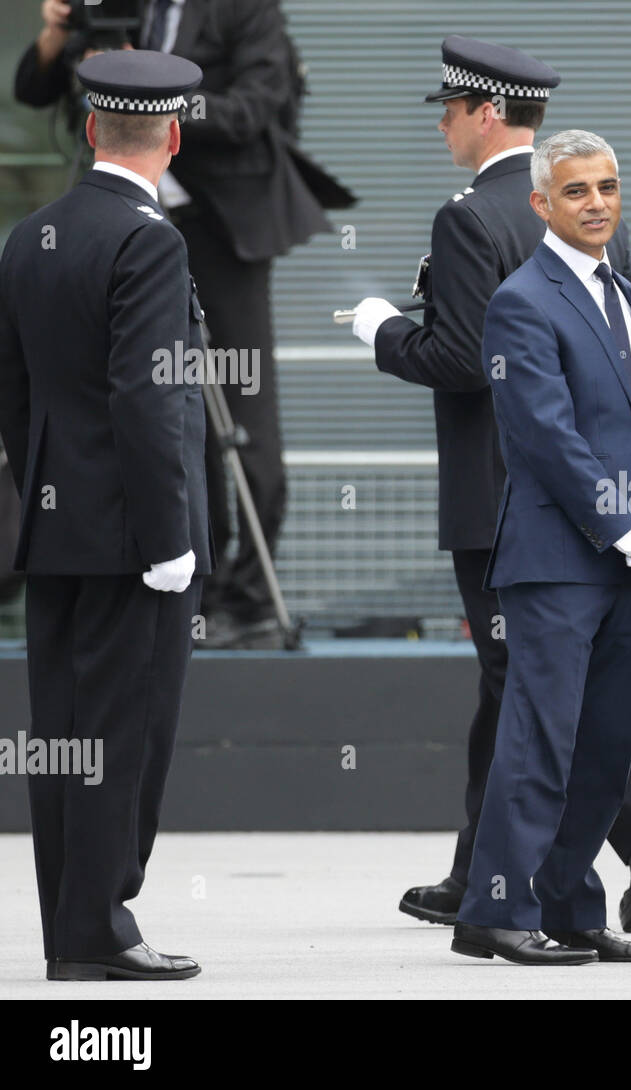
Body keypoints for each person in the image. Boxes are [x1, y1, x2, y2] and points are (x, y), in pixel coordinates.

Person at [347, 35, 631, 935]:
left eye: (450, 109)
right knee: (536, 708)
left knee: (540, 709)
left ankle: (550, 888)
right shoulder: (558, 255)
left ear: (486, 112)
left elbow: (465, 360)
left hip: (520, 508)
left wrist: (382, 331)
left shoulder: (479, 220)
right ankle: (512, 891)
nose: (443, 124)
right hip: (560, 524)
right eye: (579, 190)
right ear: (548, 196)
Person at [14, 0, 353, 650]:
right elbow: (32, 89)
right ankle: (199, 575)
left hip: (223, 229)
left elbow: (254, 107)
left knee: (244, 409)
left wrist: (146, 106)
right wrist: (61, 34)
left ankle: (251, 599)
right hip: (138, 226)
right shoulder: (119, 9)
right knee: (171, 404)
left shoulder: (244, 11)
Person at [450, 130, 631, 965]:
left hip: (630, 563)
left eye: (608, 187)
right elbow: (547, 439)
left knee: (603, 744)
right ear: (541, 204)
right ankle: (492, 912)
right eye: (577, 191)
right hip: (558, 559)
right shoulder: (523, 299)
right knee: (538, 740)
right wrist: (630, 532)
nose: (597, 203)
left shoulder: (623, 290)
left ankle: (572, 907)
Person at [0, 49, 211, 981]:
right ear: (169, 135)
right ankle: (101, 927)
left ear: (90, 129)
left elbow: (14, 396)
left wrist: (45, 494)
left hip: (56, 530)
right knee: (125, 737)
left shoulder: (29, 234)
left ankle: (75, 929)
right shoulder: (149, 239)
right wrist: (169, 541)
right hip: (132, 538)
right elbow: (147, 399)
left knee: (67, 734)